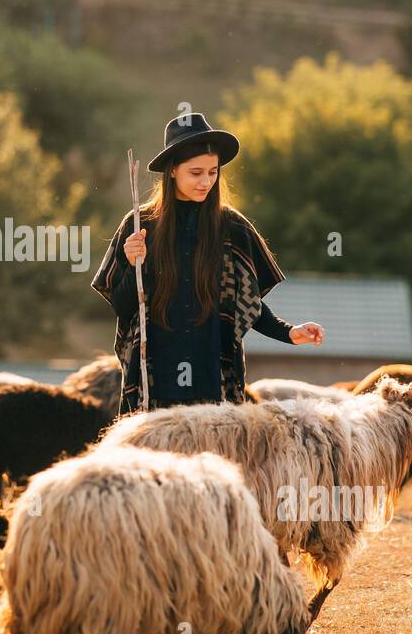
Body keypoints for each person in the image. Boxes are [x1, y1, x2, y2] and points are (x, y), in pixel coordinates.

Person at [92, 112, 325, 417]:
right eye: (196, 172)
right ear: (172, 170)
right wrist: (132, 261)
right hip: (153, 382)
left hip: (214, 379)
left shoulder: (232, 228)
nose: (206, 182)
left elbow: (247, 304)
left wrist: (289, 333)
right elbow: (123, 308)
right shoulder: (139, 225)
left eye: (213, 172)